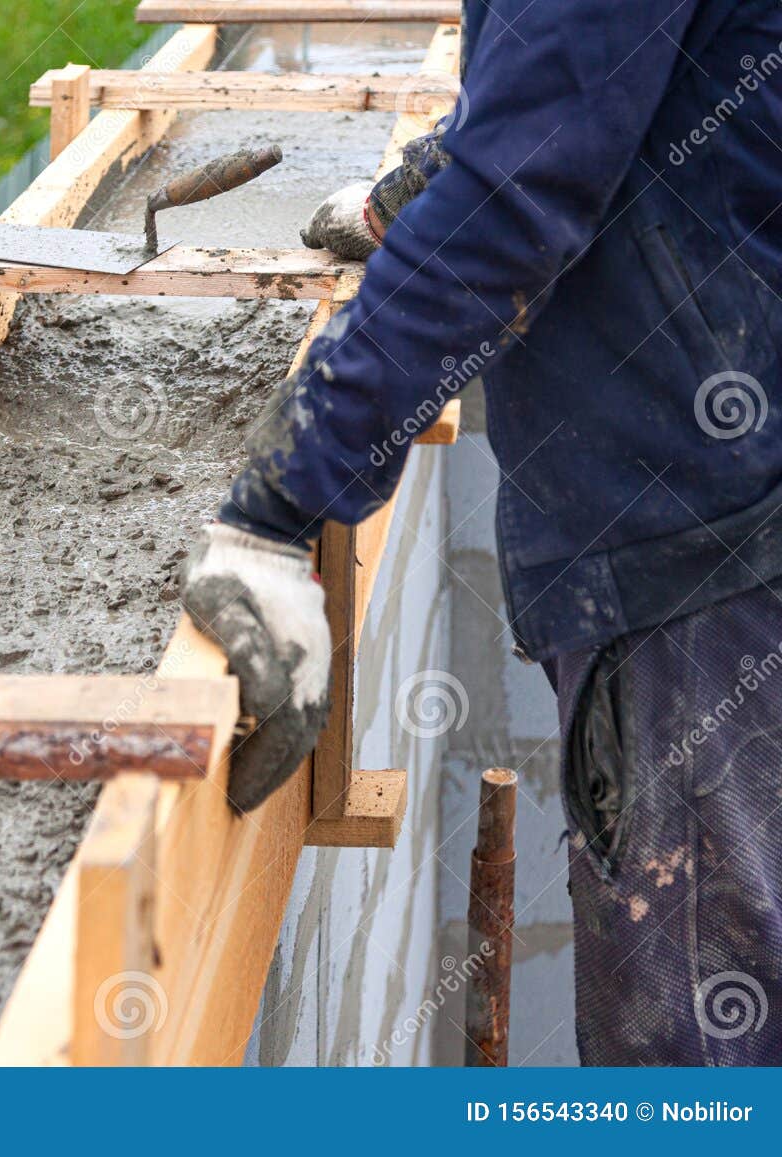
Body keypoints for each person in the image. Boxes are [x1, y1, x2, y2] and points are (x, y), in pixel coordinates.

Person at [182, 0, 782, 1064]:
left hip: (699, 550)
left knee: (697, 1056)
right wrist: (436, 180)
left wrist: (281, 509)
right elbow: (594, 82)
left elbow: (522, 194)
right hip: (713, 498)